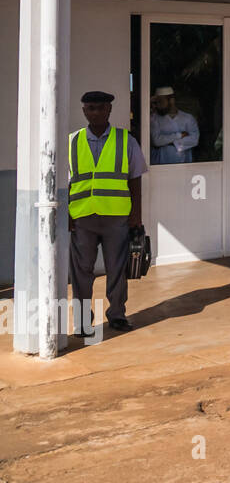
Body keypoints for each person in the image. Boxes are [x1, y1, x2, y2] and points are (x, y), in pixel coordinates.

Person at [68, 90, 148, 335]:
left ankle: (117, 315)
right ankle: (82, 322)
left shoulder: (126, 140)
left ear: (109, 110)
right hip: (82, 218)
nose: (96, 112)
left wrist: (136, 215)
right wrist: (68, 215)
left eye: (101, 108)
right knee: (81, 272)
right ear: (84, 111)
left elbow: (135, 180)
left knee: (117, 268)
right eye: (91, 108)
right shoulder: (72, 141)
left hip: (117, 218)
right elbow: (67, 183)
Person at [149, 86, 199, 164]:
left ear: (171, 100)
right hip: (158, 166)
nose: (158, 105)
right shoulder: (154, 119)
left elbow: (194, 139)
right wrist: (179, 135)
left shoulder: (188, 118)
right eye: (156, 102)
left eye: (161, 101)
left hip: (183, 164)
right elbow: (157, 141)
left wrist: (168, 142)